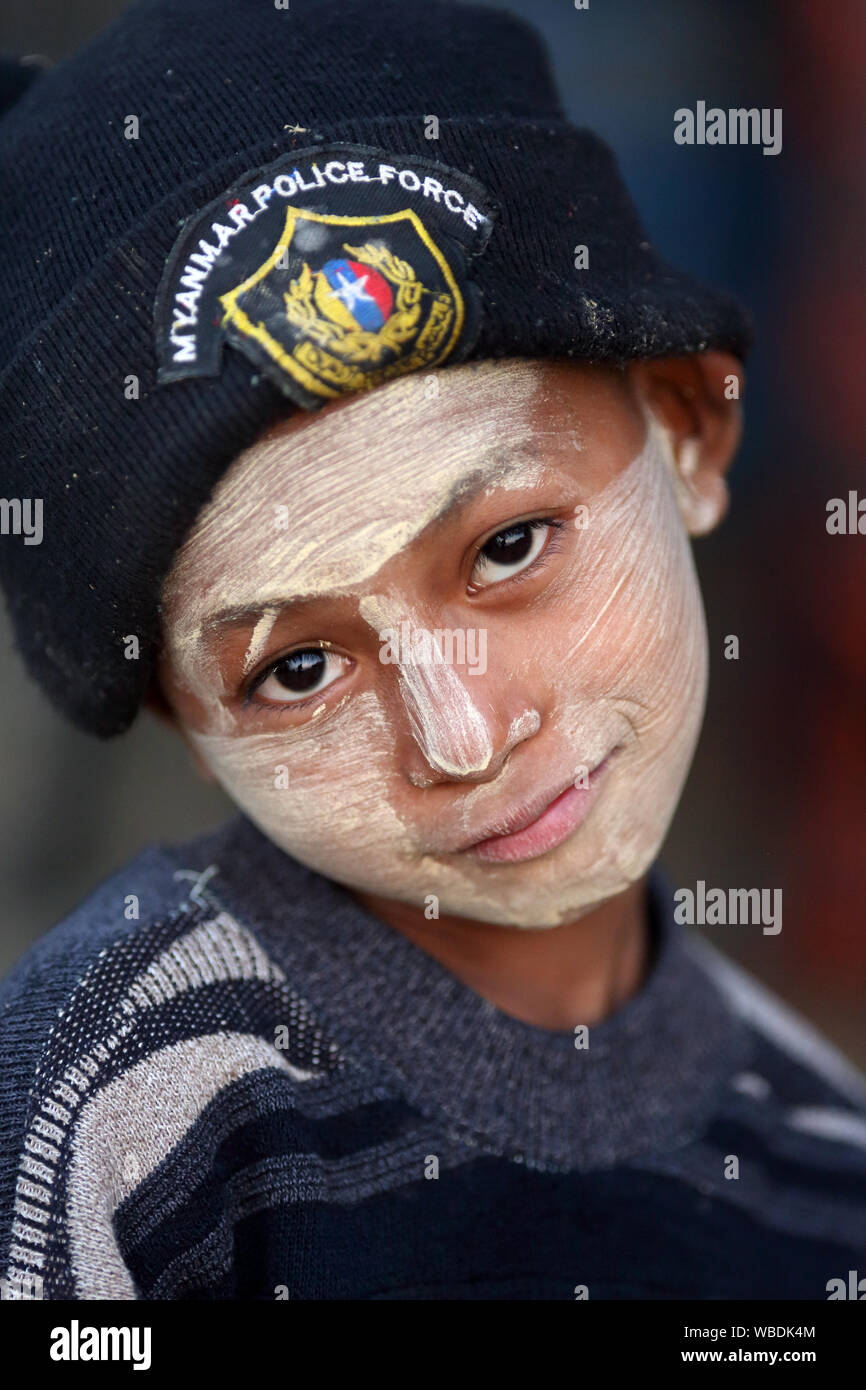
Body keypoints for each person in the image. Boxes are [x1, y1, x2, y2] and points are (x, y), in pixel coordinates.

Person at [1, 0, 863, 1301]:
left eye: (510, 545)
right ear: (186, 715)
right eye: (297, 669)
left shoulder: (822, 1166)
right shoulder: (112, 1111)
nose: (464, 737)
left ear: (686, 425)